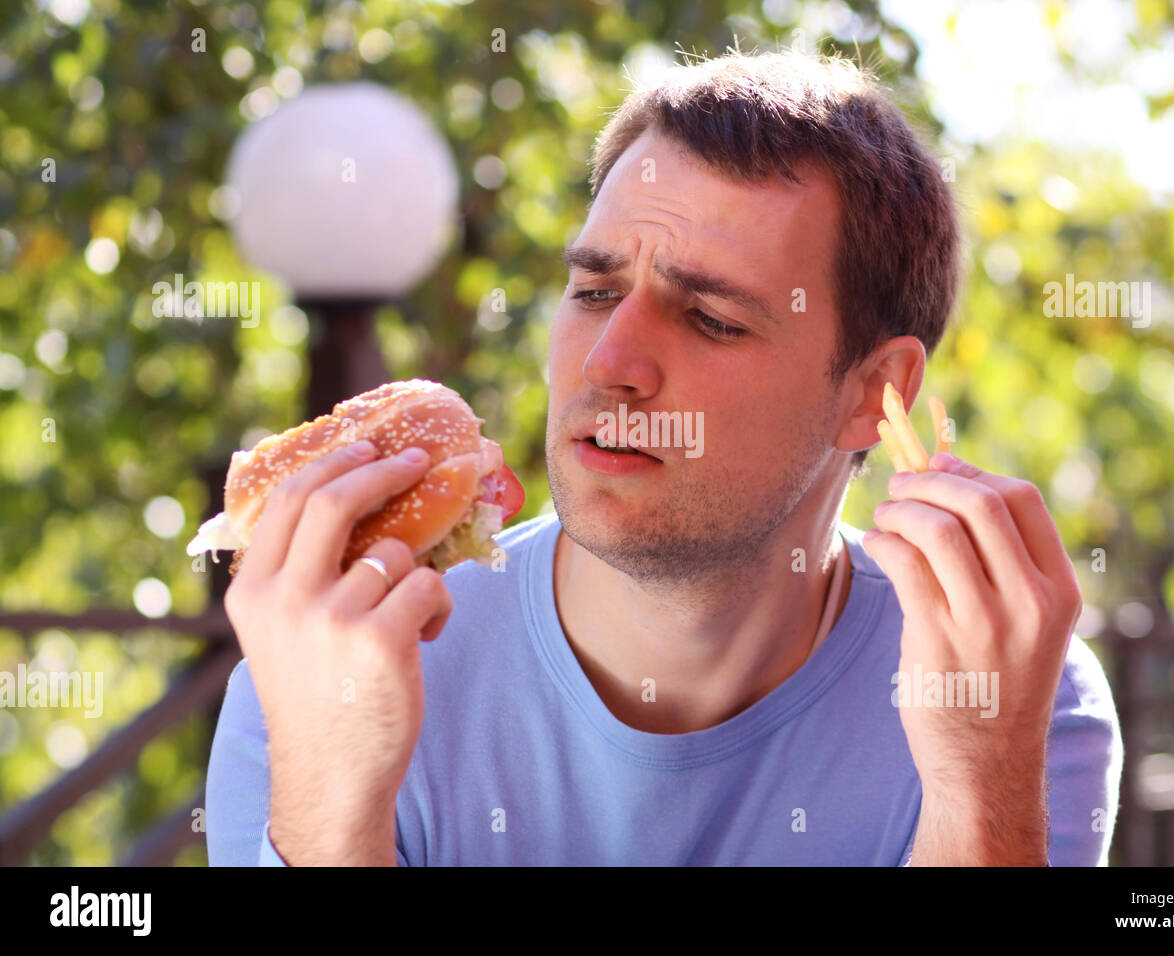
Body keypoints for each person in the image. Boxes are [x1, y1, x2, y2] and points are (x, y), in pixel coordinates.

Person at [206, 48, 1122, 866]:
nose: (610, 365)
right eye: (596, 291)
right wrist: (333, 806)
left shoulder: (1013, 702)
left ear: (872, 393)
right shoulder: (319, 665)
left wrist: (976, 792)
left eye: (712, 319)